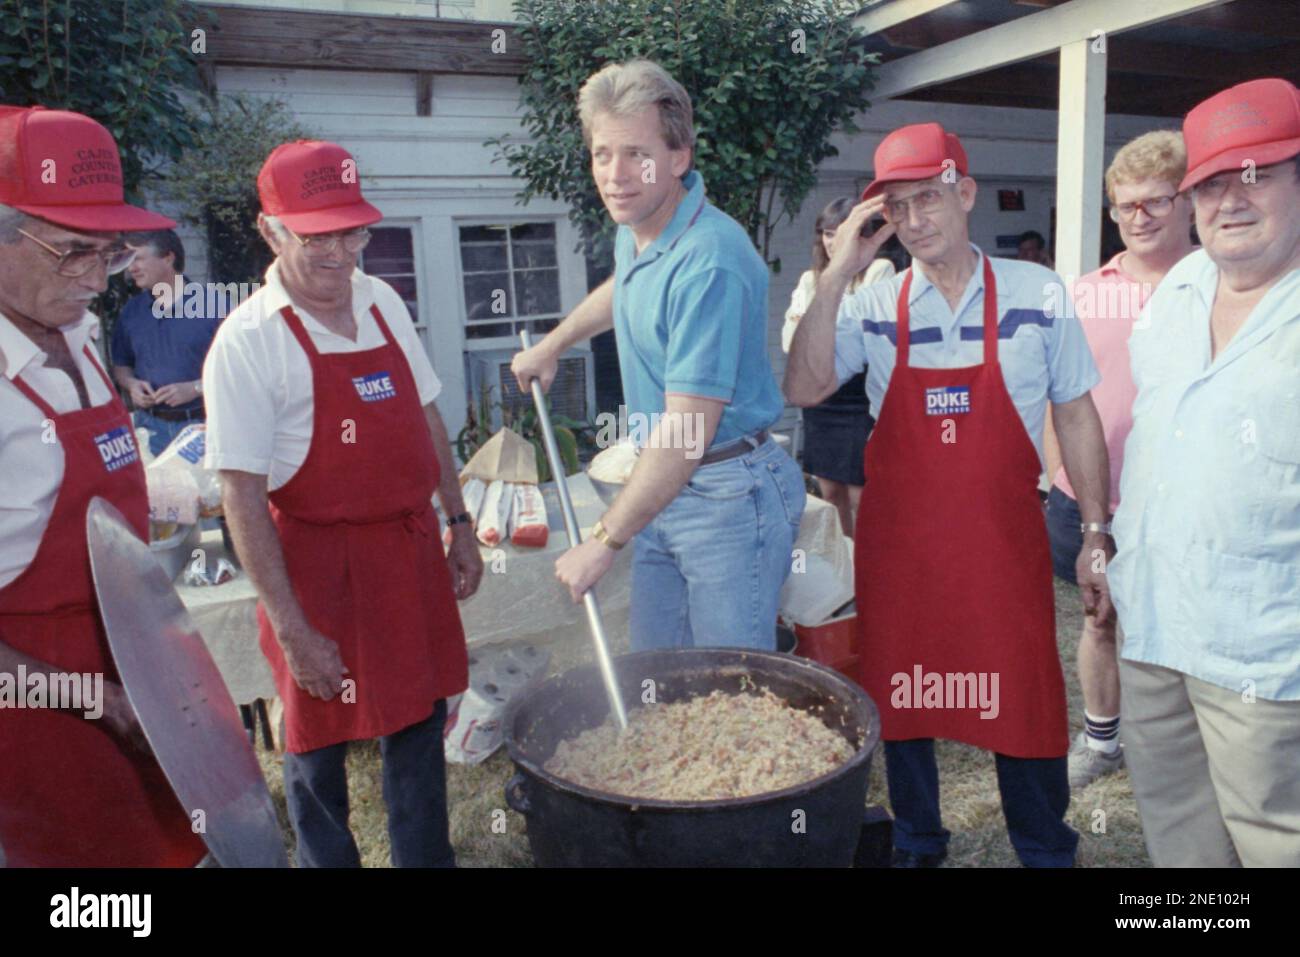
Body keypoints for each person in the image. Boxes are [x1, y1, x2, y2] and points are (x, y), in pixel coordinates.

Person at [785, 122, 1111, 868]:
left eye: (928, 197)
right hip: (903, 549)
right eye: (897, 206)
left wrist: (1094, 529)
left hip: (1002, 544)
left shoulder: (1038, 293)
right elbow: (802, 386)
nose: (915, 219)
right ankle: (916, 839)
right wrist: (839, 271)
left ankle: (1044, 845)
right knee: (900, 696)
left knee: (1021, 694)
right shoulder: (875, 305)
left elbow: (1076, 411)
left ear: (965, 192)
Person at [203, 139, 483, 867]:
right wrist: (293, 628)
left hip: (408, 546)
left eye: (351, 231)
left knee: (419, 717)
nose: (340, 253)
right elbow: (239, 491)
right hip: (314, 563)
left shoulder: (382, 299)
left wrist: (458, 523)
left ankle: (426, 857)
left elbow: (427, 417)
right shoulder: (246, 344)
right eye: (315, 234)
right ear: (271, 230)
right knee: (314, 736)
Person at [512, 60, 805, 651]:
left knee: (729, 685)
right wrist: (555, 342)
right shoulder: (642, 223)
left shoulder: (710, 260)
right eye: (602, 153)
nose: (615, 176)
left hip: (725, 488)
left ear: (679, 157)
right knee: (658, 667)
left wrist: (604, 540)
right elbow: (626, 284)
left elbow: (689, 429)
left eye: (635, 154)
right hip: (662, 479)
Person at [0, 105, 207, 866]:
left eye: (110, 254)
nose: (95, 279)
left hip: (130, 680)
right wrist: (92, 700)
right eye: (70, 252)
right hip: (33, 718)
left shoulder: (82, 342)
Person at [1108, 77, 1300, 867]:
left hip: (1265, 655)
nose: (1232, 200)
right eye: (1212, 183)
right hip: (1153, 630)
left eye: (1257, 175)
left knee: (1276, 840)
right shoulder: (1179, 289)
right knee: (1180, 839)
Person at [1042, 130, 1195, 790]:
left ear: (1187, 202)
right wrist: (1060, 481)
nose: (1139, 217)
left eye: (1156, 201)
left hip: (1185, 498)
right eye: (1125, 206)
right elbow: (1059, 397)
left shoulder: (1217, 282)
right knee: (1099, 617)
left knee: (1185, 626)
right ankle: (1104, 739)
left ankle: (1187, 748)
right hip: (1090, 499)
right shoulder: (1083, 292)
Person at [781, 198, 896, 538]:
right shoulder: (808, 279)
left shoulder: (880, 270)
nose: (834, 242)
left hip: (859, 396)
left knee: (862, 492)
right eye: (828, 234)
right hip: (821, 398)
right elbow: (791, 340)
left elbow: (856, 335)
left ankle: (870, 561)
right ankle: (846, 563)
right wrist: (820, 323)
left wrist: (816, 321)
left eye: (842, 232)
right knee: (830, 492)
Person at [110, 229, 222, 456]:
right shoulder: (132, 311)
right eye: (129, 261)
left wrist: (196, 388)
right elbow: (121, 365)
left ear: (168, 258)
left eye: (138, 258)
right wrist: (131, 385)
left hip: (203, 427)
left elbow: (241, 369)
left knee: (205, 493)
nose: (131, 269)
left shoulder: (216, 305)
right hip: (149, 430)